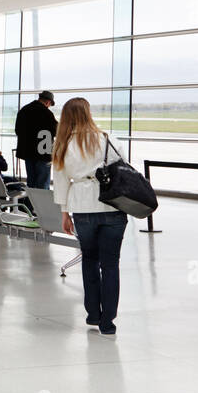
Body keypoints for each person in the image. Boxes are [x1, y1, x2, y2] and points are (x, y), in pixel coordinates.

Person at [51, 97, 126, 337]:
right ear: (88, 113)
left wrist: (64, 212)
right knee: (111, 265)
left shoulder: (63, 144)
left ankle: (93, 312)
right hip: (112, 207)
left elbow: (61, 181)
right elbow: (124, 169)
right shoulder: (107, 139)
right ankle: (108, 322)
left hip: (82, 208)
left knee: (90, 261)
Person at [15, 90, 57, 189]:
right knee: (43, 183)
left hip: (27, 152)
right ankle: (42, 204)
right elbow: (56, 131)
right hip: (43, 153)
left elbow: (18, 130)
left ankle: (31, 203)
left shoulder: (24, 110)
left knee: (31, 181)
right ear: (48, 102)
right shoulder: (47, 113)